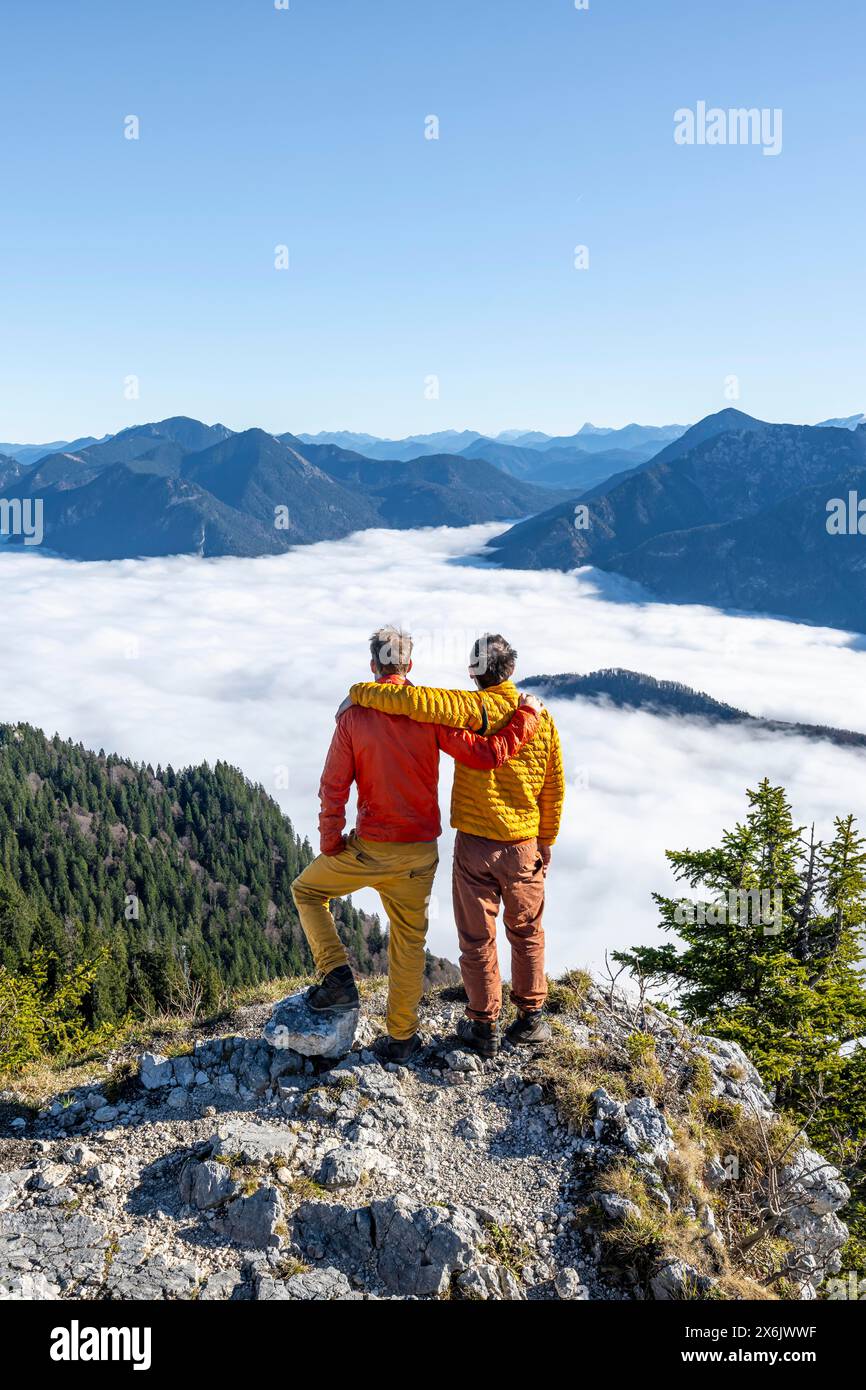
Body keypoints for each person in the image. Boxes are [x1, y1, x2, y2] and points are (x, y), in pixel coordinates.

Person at [291, 625, 542, 1063]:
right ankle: (402, 1039)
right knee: (408, 942)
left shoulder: (353, 716)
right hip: (419, 853)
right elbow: (486, 755)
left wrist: (332, 842)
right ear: (409, 666)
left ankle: (336, 976)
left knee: (307, 891)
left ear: (374, 665)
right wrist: (526, 718)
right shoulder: (432, 716)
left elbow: (333, 787)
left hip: (368, 847)